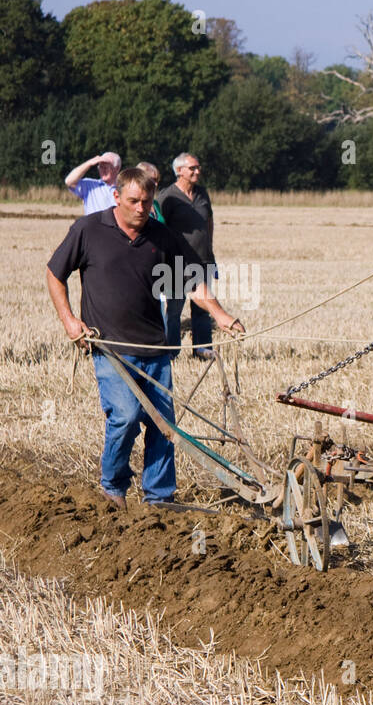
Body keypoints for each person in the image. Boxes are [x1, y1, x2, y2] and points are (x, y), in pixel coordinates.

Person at [45, 166, 245, 506]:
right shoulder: (89, 230)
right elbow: (54, 274)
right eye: (134, 201)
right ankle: (113, 488)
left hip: (155, 346)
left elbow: (192, 278)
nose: (141, 208)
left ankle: (159, 497)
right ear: (117, 197)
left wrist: (220, 314)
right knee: (125, 416)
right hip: (109, 346)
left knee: (163, 425)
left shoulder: (161, 235)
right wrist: (69, 321)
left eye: (147, 201)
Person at [156, 152, 217, 358]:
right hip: (176, 264)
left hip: (203, 260)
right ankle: (171, 353)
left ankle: (202, 350)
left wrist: (209, 246)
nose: (197, 171)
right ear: (179, 171)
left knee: (203, 309)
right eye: (192, 168)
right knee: (173, 310)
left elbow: (209, 220)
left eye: (198, 167)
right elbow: (159, 226)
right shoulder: (168, 196)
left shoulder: (202, 193)